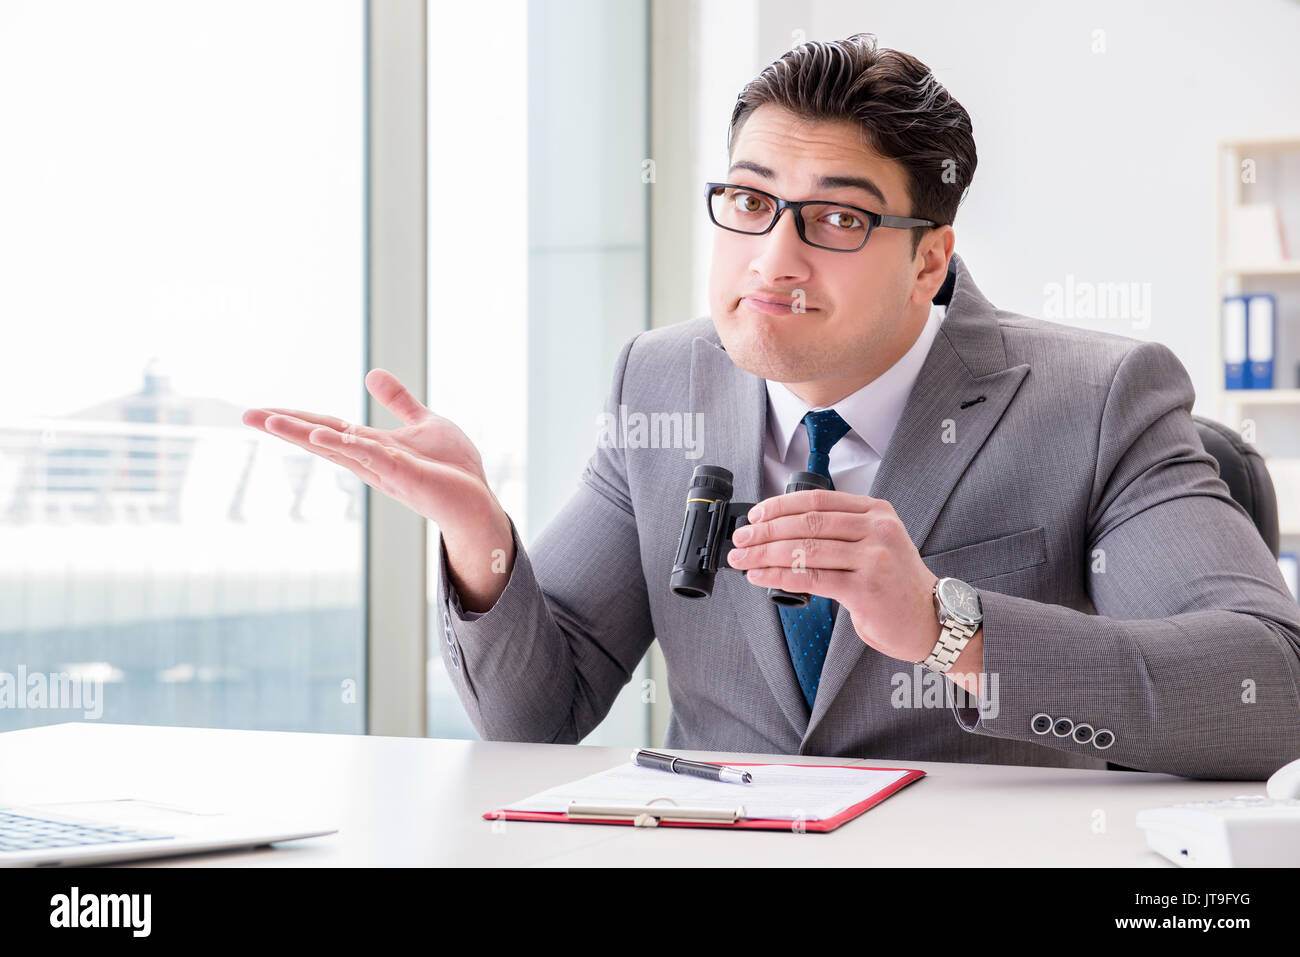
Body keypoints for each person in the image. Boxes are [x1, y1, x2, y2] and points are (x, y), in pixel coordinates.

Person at [244, 34, 1300, 779]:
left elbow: (1268, 688)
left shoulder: (1096, 400)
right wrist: (480, 542)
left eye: (835, 217)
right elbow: (537, 713)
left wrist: (948, 628)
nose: (773, 258)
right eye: (750, 203)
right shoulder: (658, 383)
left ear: (930, 257)